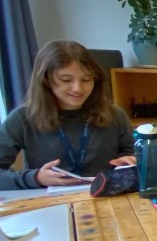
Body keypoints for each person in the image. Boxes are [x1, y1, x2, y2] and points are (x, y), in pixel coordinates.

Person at [0, 40, 135, 190]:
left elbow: (135, 161)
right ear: (46, 80)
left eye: (86, 79)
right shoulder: (22, 118)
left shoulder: (115, 115)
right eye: (66, 80)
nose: (77, 88)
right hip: (47, 204)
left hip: (104, 197)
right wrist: (36, 178)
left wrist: (131, 164)